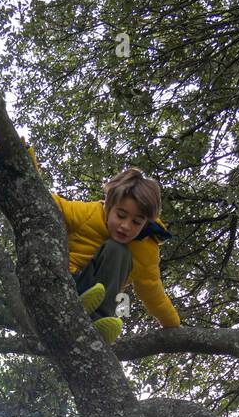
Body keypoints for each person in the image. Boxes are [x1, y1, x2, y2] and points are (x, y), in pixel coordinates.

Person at [28, 146, 181, 343]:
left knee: (120, 252)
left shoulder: (146, 248)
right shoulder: (89, 214)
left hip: (100, 298)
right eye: (121, 215)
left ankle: (98, 321)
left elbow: (152, 290)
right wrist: (28, 163)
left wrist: (172, 324)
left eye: (136, 222)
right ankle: (90, 311)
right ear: (108, 206)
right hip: (69, 282)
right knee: (116, 248)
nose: (126, 226)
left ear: (146, 223)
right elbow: (50, 203)